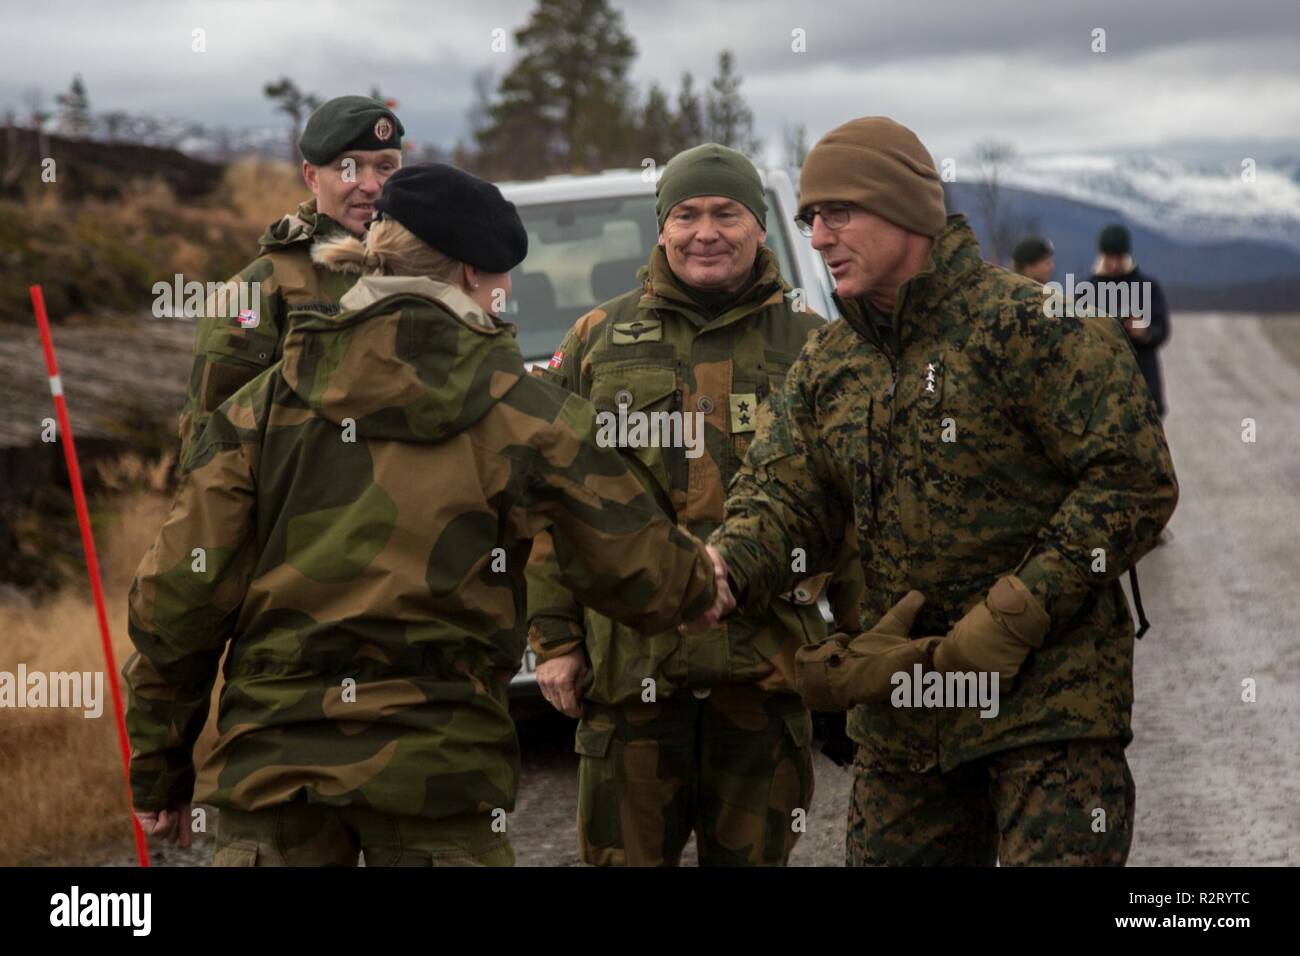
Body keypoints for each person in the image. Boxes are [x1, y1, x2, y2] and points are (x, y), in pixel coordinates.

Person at [124, 164, 725, 867]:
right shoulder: (529, 414)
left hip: (274, 779)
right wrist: (704, 580)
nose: (508, 298)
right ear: (474, 274)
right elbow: (640, 570)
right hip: (440, 779)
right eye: (507, 280)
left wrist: (160, 768)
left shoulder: (262, 403)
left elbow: (179, 602)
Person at [705, 116, 1179, 866]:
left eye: (838, 213)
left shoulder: (1034, 328)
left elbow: (1134, 483)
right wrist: (727, 568)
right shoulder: (831, 361)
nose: (819, 237)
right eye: (809, 219)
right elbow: (787, 498)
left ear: (906, 212)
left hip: (1048, 709)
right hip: (907, 717)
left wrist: (1014, 614)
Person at [526, 143, 857, 866]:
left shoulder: (817, 345)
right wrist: (553, 640)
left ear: (761, 227)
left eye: (726, 213)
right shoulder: (596, 342)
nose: (706, 231)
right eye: (687, 214)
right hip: (630, 674)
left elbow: (852, 507)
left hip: (764, 675)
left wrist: (863, 654)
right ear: (662, 229)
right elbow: (555, 502)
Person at [177, 95, 405, 464]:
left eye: (385, 167)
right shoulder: (258, 291)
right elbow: (212, 451)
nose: (370, 185)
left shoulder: (424, 271)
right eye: (348, 168)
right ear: (312, 177)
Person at [1089, 223, 1171, 417]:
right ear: (1102, 256)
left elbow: (1163, 329)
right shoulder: (1087, 290)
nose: (1114, 264)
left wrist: (1144, 332)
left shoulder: (1147, 287)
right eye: (1110, 258)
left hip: (1143, 386)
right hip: (1101, 391)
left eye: (1119, 257)